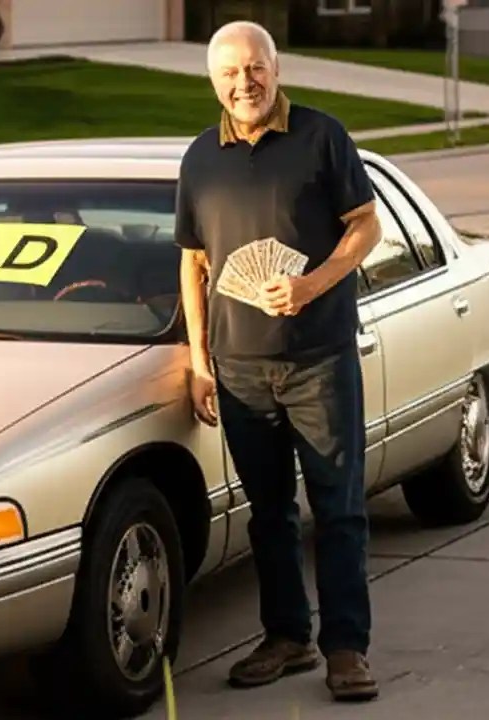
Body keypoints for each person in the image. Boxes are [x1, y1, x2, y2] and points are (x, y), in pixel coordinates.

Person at [173, 20, 384, 703]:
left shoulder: (323, 137)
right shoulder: (200, 158)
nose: (244, 83)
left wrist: (310, 285)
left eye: (254, 68)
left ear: (276, 67)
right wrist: (199, 360)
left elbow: (366, 227)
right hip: (237, 371)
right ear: (213, 80)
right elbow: (194, 262)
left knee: (339, 510)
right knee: (268, 513)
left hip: (318, 359)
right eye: (230, 73)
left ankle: (346, 649)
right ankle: (286, 636)